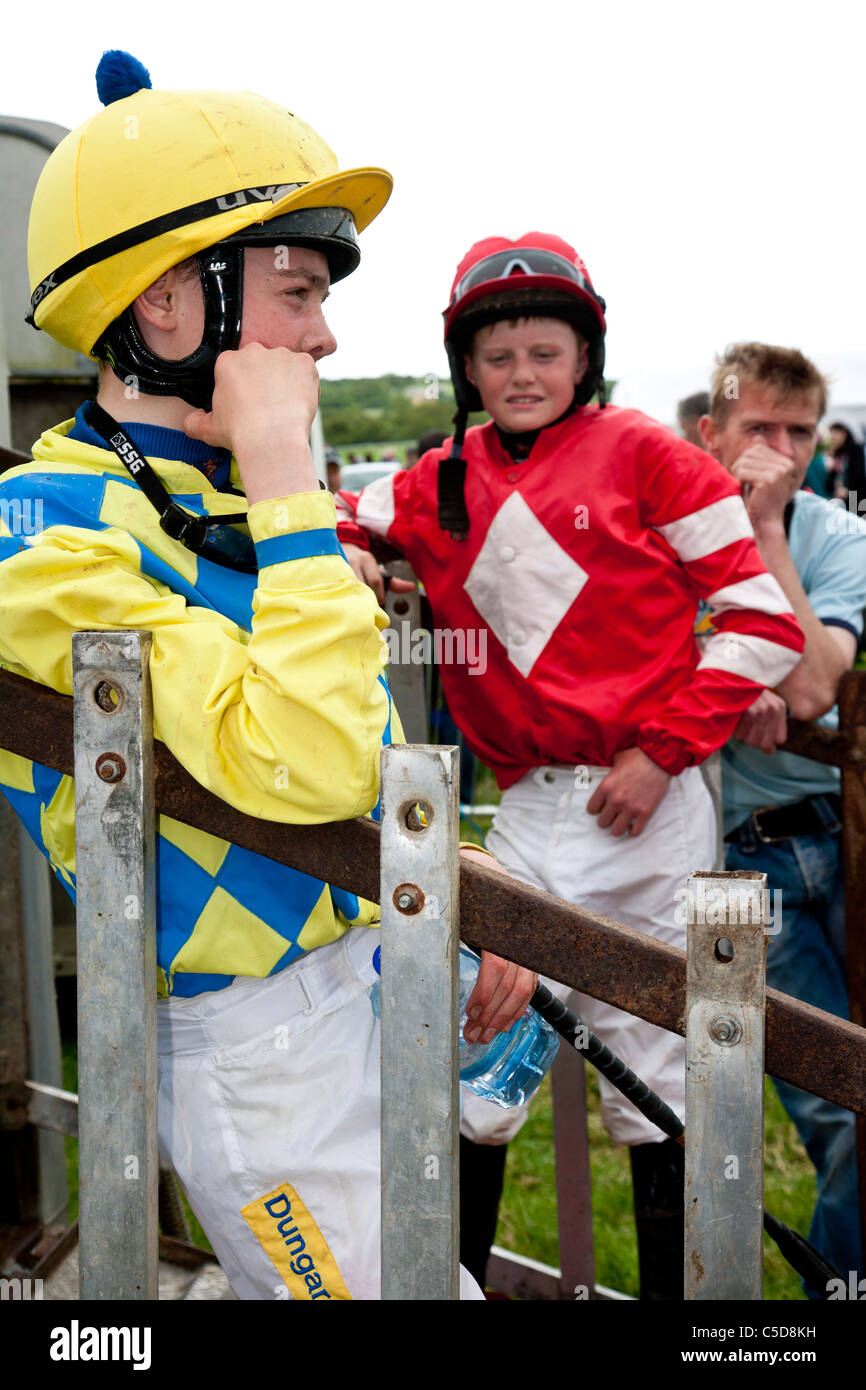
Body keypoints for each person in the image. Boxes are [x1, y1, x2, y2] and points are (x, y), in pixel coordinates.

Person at [0, 52, 536, 1301]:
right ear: (172, 306)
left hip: (341, 965)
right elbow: (294, 763)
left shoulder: (208, 497)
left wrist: (438, 862)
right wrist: (291, 483)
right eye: (295, 290)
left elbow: (346, 737)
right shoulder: (49, 536)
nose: (327, 331)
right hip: (255, 1044)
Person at [335, 232, 806, 1296]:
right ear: (465, 369)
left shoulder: (647, 453)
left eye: (543, 353)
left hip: (647, 806)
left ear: (582, 357)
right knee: (473, 1065)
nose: (520, 376)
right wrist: (351, 552)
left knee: (660, 1083)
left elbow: (759, 620)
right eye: (497, 358)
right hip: (528, 817)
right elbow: (323, 515)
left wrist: (660, 749)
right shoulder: (432, 479)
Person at [699, 342, 866, 1294]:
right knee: (835, 1105)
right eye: (756, 427)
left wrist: (763, 530)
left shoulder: (836, 536)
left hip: (841, 842)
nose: (780, 449)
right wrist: (729, 677)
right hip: (738, 863)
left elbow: (805, 686)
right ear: (710, 432)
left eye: (798, 431)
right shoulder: (660, 530)